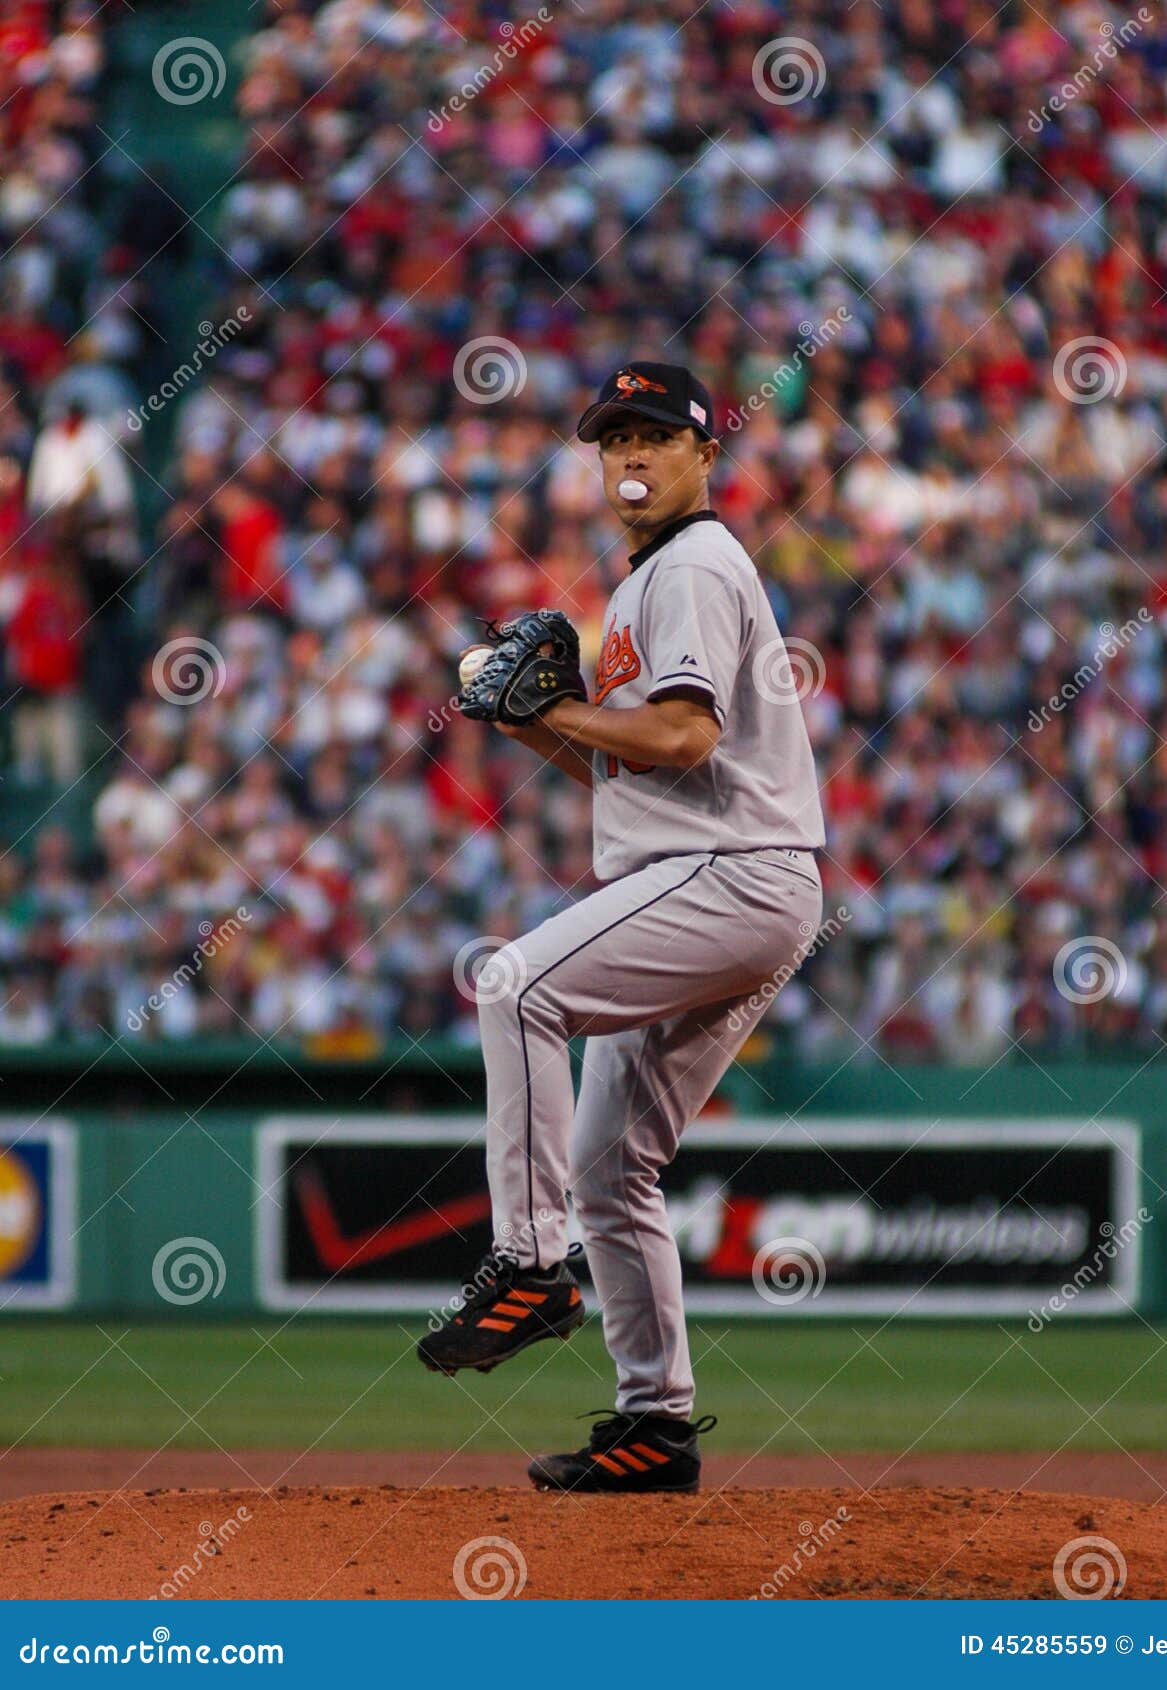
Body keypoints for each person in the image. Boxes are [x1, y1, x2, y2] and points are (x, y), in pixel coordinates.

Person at [417, 363, 826, 1494]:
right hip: (723, 883)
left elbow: (686, 739)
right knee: (610, 1170)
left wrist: (542, 700)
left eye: (655, 435)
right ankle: (655, 1427)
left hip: (723, 875)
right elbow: (624, 760)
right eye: (613, 439)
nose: (632, 456)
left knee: (513, 983)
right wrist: (531, 722)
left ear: (704, 455)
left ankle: (528, 1267)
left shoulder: (690, 562)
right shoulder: (654, 578)